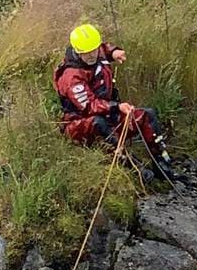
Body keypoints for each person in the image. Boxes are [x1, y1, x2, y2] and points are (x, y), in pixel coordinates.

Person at [53, 23, 176, 181]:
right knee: (99, 124)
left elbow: (104, 49)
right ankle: (134, 168)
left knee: (147, 115)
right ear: (77, 51)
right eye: (86, 53)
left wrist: (114, 52)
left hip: (108, 115)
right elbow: (89, 106)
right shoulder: (71, 76)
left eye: (94, 50)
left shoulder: (97, 52)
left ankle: (162, 166)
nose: (91, 55)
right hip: (79, 124)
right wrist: (116, 107)